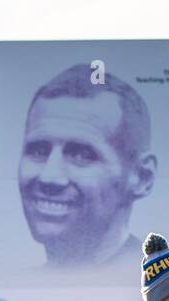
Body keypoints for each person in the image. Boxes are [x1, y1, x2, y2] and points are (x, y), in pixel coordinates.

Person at [17, 65, 156, 276]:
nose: (49, 176)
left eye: (81, 155)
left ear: (141, 177)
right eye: (38, 151)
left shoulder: (158, 284)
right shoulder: (19, 284)